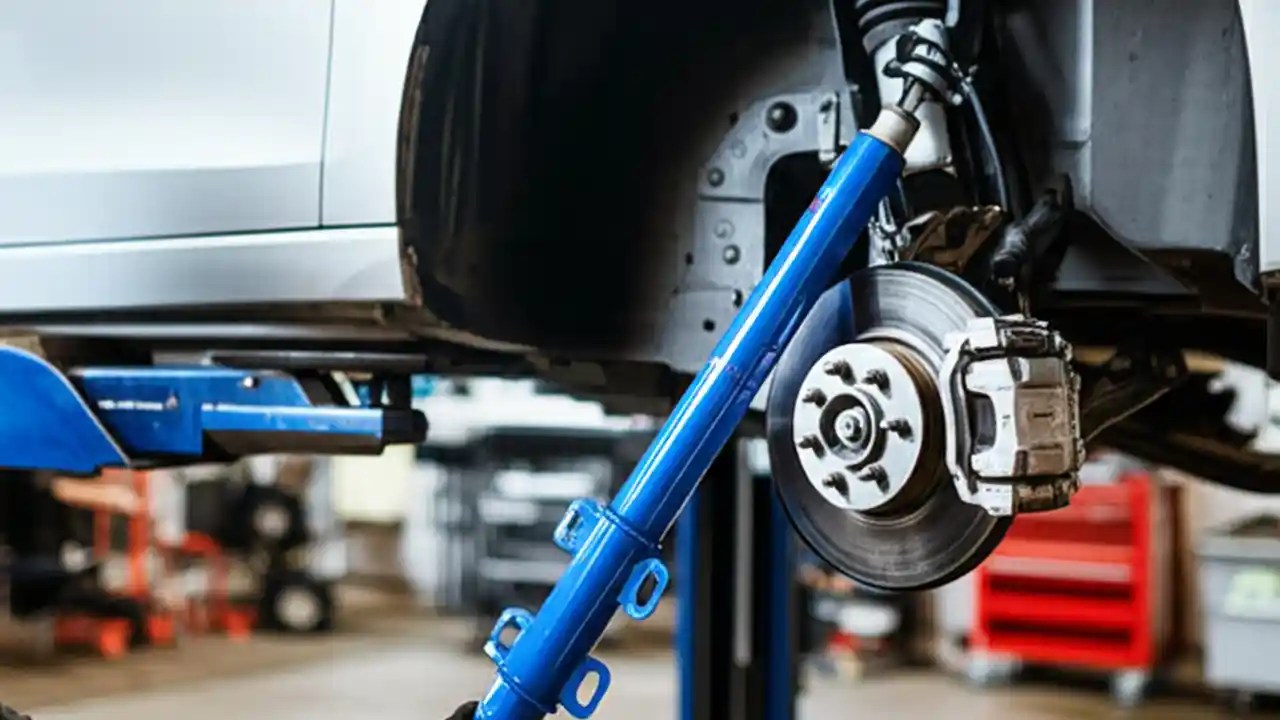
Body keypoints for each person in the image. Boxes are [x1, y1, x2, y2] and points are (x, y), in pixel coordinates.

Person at [0, 470, 145, 638]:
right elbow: (58, 487)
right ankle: (131, 613)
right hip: (37, 564)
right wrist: (111, 496)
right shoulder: (25, 465)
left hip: (39, 562)